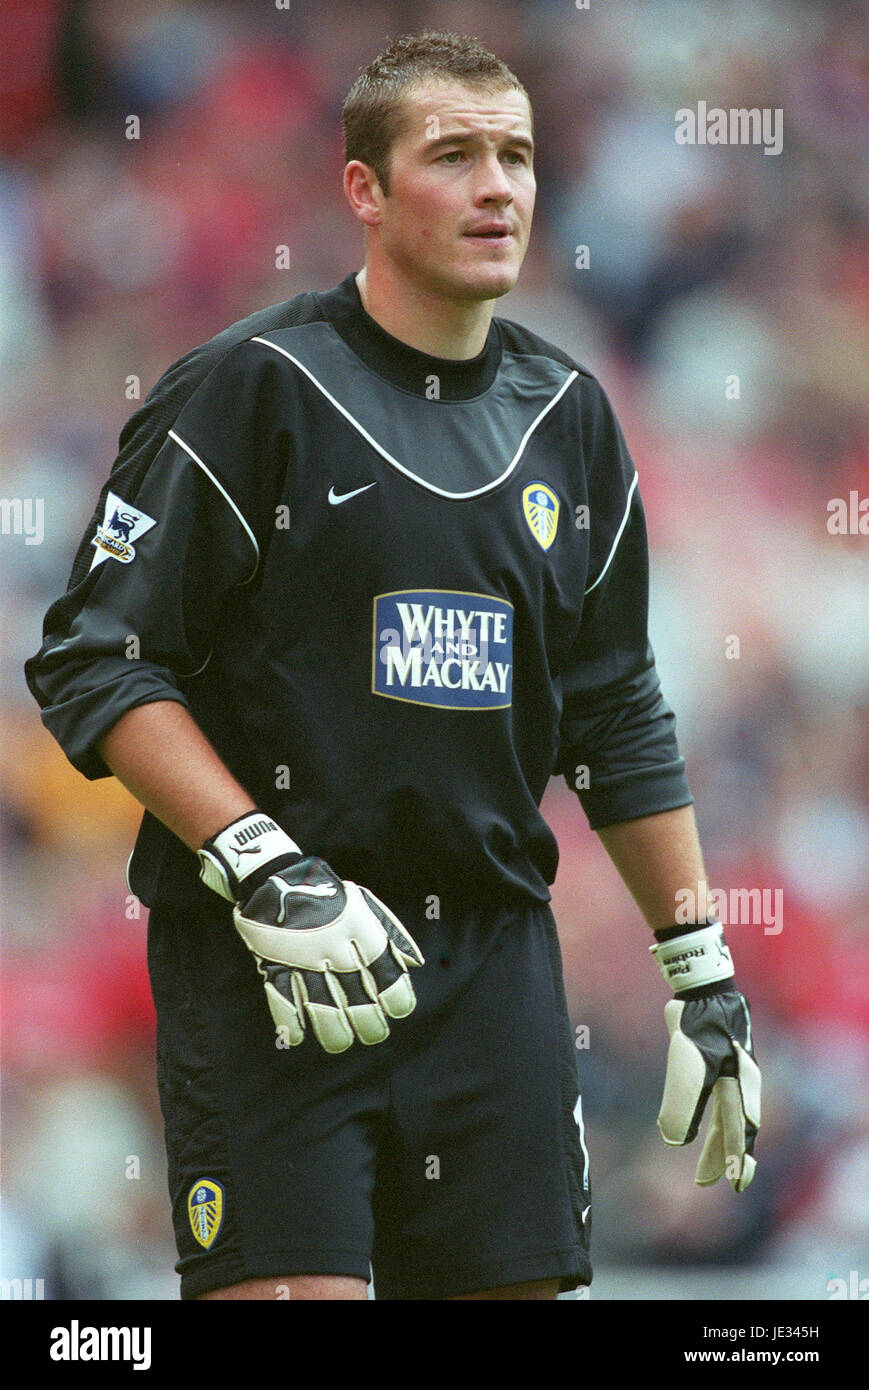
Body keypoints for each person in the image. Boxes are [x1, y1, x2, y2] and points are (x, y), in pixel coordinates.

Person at [26, 31, 760, 1301]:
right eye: (455, 155)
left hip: (492, 969)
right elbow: (96, 658)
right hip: (278, 968)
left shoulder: (569, 419)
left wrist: (696, 961)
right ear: (361, 189)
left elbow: (614, 710)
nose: (498, 188)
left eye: (518, 157)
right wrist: (263, 865)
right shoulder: (252, 391)